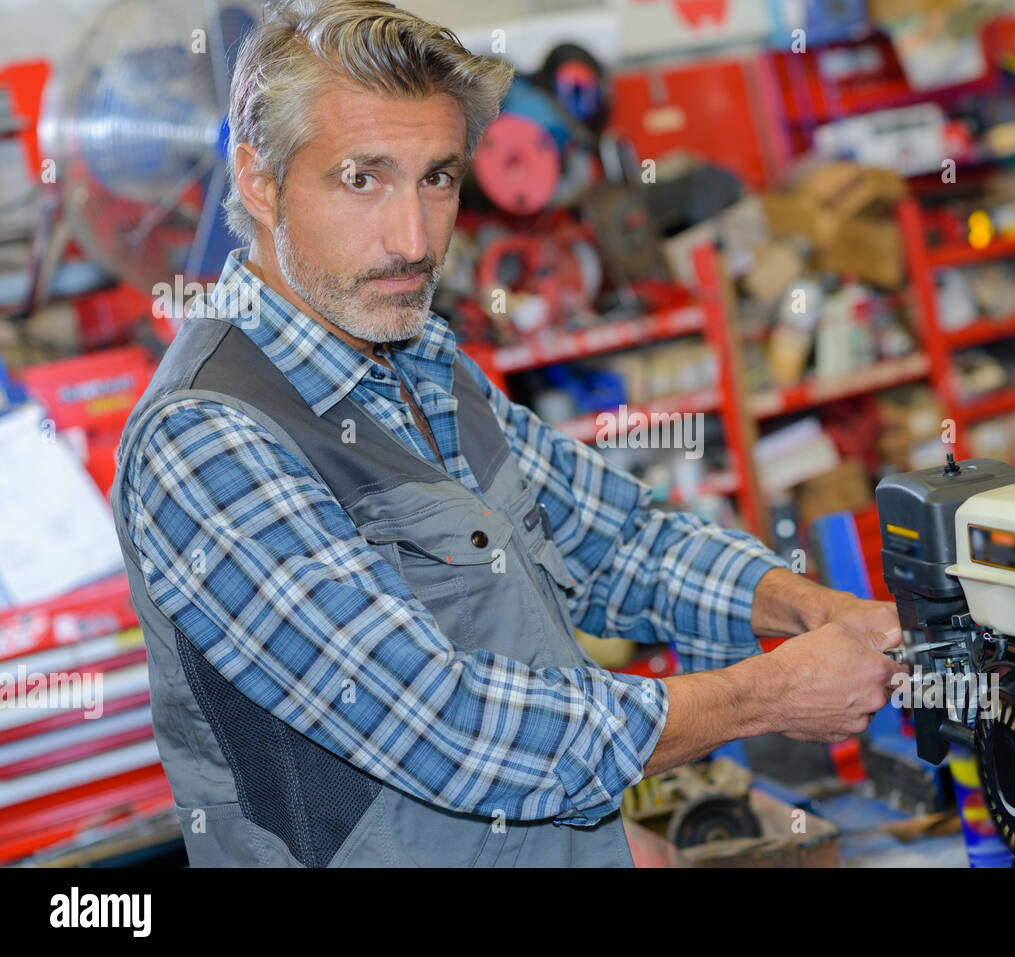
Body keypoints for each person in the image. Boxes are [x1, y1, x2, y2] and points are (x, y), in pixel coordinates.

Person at [110, 0, 905, 867]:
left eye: (438, 178)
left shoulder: (415, 358)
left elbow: (620, 540)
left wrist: (804, 604)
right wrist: (766, 695)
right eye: (362, 179)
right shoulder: (207, 436)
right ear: (258, 181)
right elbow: (447, 727)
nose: (413, 240)